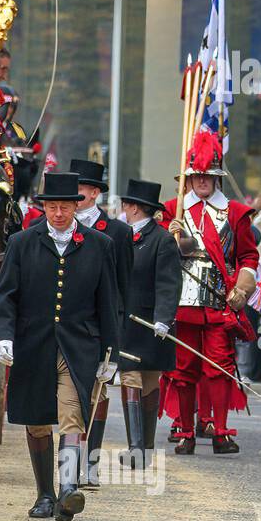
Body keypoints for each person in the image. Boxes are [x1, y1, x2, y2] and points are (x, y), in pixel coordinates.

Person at [0, 171, 119, 521]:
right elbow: (6, 297)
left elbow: (109, 303)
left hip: (77, 347)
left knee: (71, 417)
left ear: (76, 207)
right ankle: (45, 494)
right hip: (33, 345)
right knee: (36, 422)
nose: (59, 213)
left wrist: (112, 353)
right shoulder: (21, 242)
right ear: (44, 207)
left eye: (65, 206)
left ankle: (67, 490)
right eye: (52, 206)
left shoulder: (99, 245)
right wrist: (3, 335)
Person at [162, 131, 259, 455]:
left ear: (216, 178)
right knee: (183, 370)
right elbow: (162, 256)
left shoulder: (235, 213)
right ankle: (186, 431)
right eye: (197, 175)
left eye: (207, 176)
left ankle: (220, 431)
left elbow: (248, 256)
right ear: (188, 178)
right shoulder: (172, 209)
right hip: (182, 302)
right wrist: (169, 237)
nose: (202, 181)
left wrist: (243, 288)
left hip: (219, 301)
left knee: (218, 368)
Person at [67, 158, 132, 484]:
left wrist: (115, 344)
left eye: (79, 189)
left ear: (93, 193)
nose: (73, 196)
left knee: (96, 396)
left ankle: (89, 463)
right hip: (64, 325)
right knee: (66, 400)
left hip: (96, 328)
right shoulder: (55, 226)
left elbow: (121, 289)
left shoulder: (117, 232)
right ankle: (68, 469)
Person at [116, 178, 178, 469]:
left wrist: (164, 319)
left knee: (150, 380)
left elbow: (168, 283)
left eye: (126, 204)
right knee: (129, 376)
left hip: (151, 321)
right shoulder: (120, 236)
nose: (122, 208)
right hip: (126, 321)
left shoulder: (162, 239)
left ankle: (147, 446)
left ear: (136, 208)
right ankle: (135, 447)